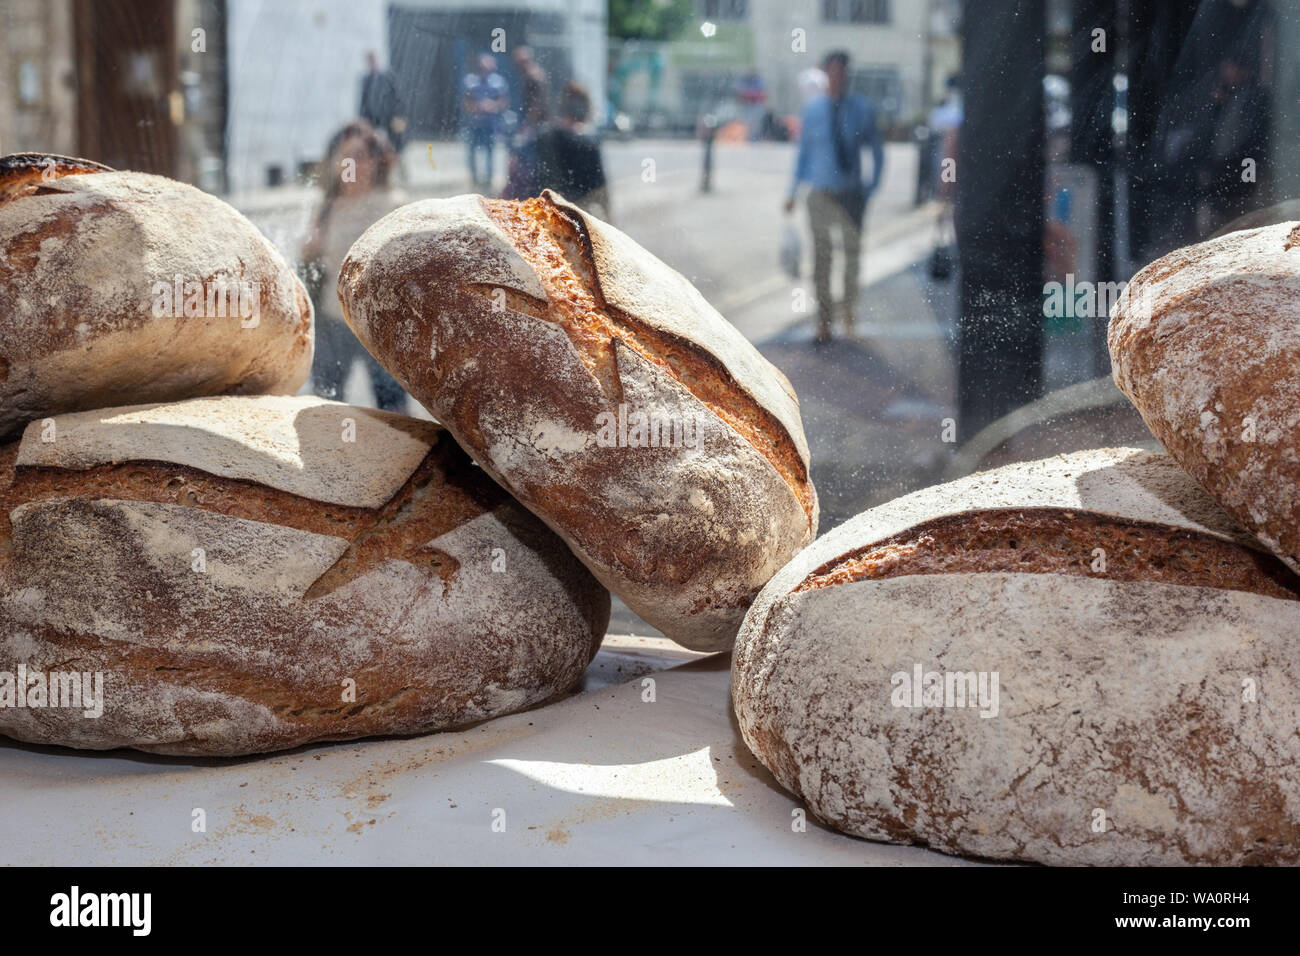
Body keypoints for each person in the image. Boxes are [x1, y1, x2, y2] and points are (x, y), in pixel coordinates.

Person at [301, 120, 408, 411]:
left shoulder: (392, 204)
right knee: (327, 400)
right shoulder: (326, 206)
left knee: (392, 406)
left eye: (360, 157)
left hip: (379, 322)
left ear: (375, 161)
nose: (352, 165)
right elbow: (307, 253)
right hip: (333, 319)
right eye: (344, 157)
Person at [784, 50, 885, 343]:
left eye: (842, 73)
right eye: (832, 73)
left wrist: (872, 187)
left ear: (848, 75)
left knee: (851, 255)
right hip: (820, 193)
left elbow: (876, 150)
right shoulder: (813, 110)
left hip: (851, 194)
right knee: (822, 257)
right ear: (825, 75)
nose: (837, 78)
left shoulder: (862, 109)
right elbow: (803, 154)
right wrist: (793, 192)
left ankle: (849, 310)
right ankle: (824, 320)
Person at [535, 82, 611, 220]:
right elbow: (600, 183)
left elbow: (539, 176)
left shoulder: (548, 136)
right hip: (581, 211)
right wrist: (609, 216)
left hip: (551, 208)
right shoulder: (590, 141)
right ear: (585, 108)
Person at [500, 45, 549, 200]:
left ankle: (526, 190)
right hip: (534, 123)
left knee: (525, 158)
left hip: (535, 125)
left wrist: (527, 125)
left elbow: (537, 104)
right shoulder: (534, 75)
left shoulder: (534, 76)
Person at [462, 54, 508, 191]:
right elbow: (465, 101)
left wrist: (492, 106)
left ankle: (489, 180)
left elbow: (504, 101)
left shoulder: (498, 82)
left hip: (490, 124)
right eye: (482, 68)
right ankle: (474, 179)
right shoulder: (470, 81)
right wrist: (476, 107)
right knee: (471, 151)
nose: (484, 71)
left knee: (490, 152)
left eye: (487, 68)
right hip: (474, 123)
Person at [359, 51, 407, 153]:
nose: (371, 62)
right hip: (372, 117)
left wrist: (398, 114)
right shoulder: (365, 79)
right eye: (369, 60)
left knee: (394, 142)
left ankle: (396, 158)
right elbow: (363, 100)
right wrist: (362, 117)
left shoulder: (387, 77)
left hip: (387, 116)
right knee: (373, 143)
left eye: (372, 59)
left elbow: (397, 96)